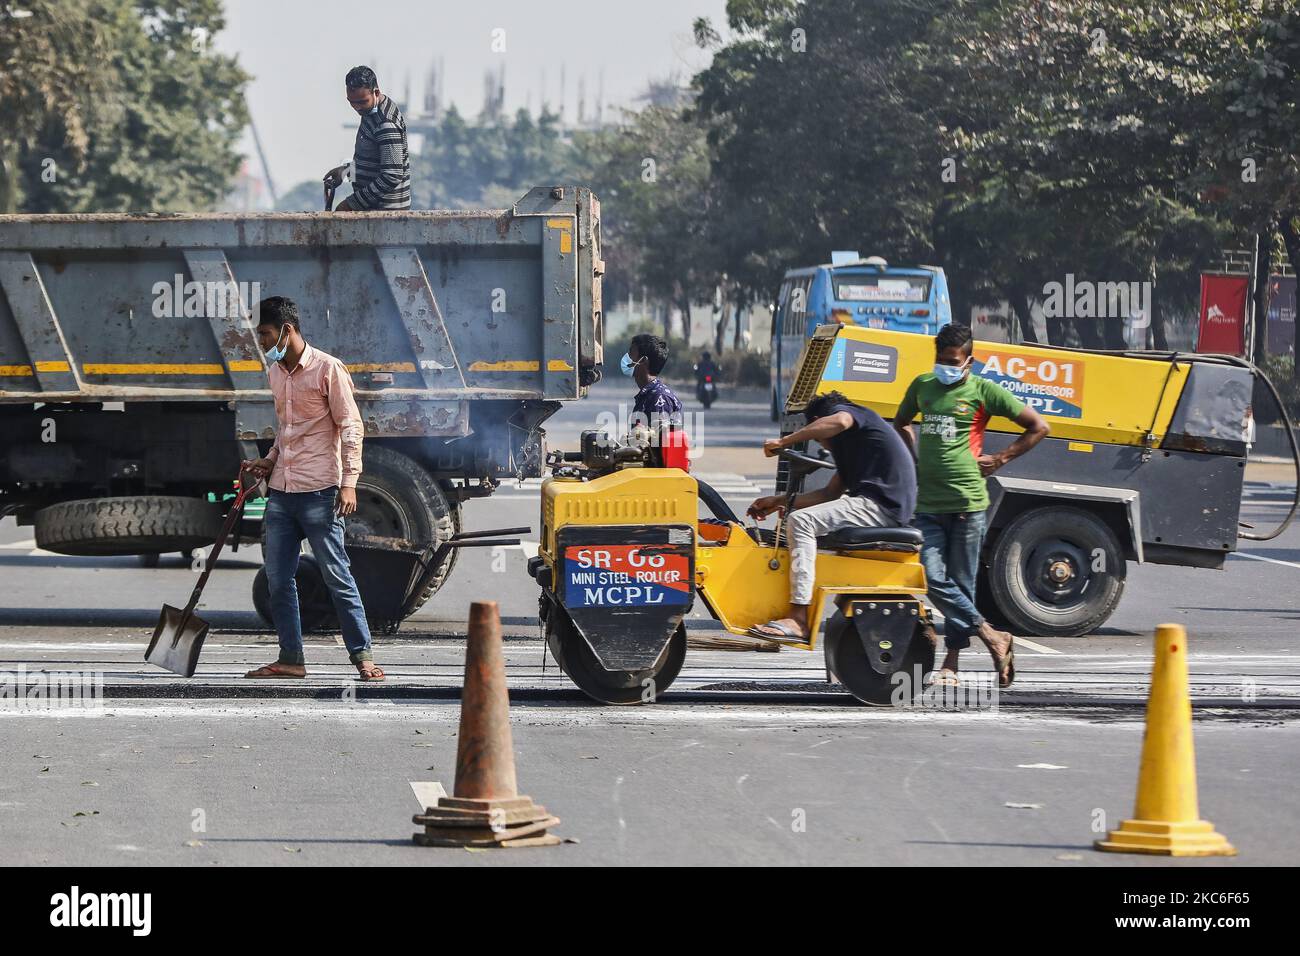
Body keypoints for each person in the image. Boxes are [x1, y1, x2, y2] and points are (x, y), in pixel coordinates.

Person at [893, 323, 1049, 688]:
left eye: (951, 361)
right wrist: (915, 457)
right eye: (939, 359)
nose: (944, 366)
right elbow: (901, 422)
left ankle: (951, 664)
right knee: (931, 577)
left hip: (967, 504)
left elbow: (1038, 427)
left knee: (961, 584)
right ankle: (994, 636)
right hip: (929, 504)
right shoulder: (922, 386)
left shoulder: (983, 392)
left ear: (968, 362)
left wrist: (1002, 459)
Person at [241, 296, 384, 681]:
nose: (263, 343)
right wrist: (269, 460)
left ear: (287, 330)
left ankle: (363, 657)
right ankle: (291, 658)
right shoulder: (275, 373)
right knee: (278, 579)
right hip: (281, 493)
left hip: (321, 492)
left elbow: (351, 427)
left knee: (337, 575)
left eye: (267, 334)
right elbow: (287, 432)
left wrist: (349, 483)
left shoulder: (327, 369)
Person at [746, 391, 917, 642]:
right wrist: (778, 501)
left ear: (819, 419)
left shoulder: (855, 416)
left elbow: (840, 422)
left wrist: (785, 442)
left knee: (801, 522)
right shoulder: (852, 445)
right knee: (798, 518)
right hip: (875, 505)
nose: (818, 437)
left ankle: (798, 618)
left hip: (882, 507)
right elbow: (830, 493)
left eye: (813, 427)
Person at [323, 66, 410, 211]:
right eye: (352, 102)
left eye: (362, 102)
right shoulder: (370, 112)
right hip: (374, 212)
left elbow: (392, 175)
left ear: (376, 92)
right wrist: (345, 172)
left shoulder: (385, 123)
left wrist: (352, 204)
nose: (357, 108)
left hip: (385, 215)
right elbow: (374, 163)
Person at [623, 333, 683, 429]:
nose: (627, 358)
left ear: (643, 361)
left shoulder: (659, 398)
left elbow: (660, 440)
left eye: (631, 353)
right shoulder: (647, 394)